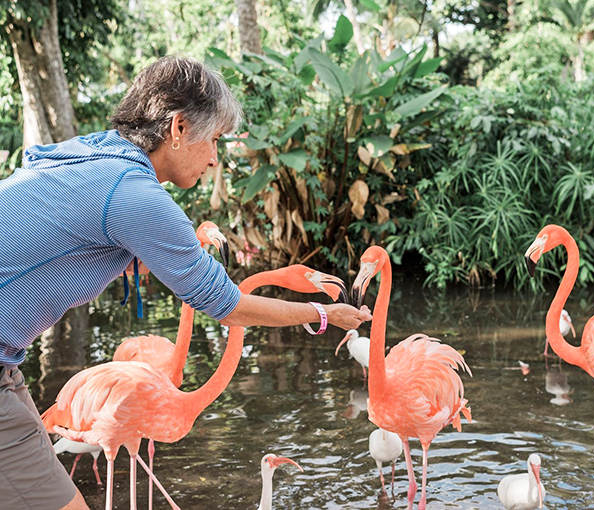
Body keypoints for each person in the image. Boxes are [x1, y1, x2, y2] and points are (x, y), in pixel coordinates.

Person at [0, 55, 372, 510]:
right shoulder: (135, 194)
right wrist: (321, 313)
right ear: (178, 128)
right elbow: (226, 303)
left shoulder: (94, 151)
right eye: (214, 139)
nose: (215, 158)